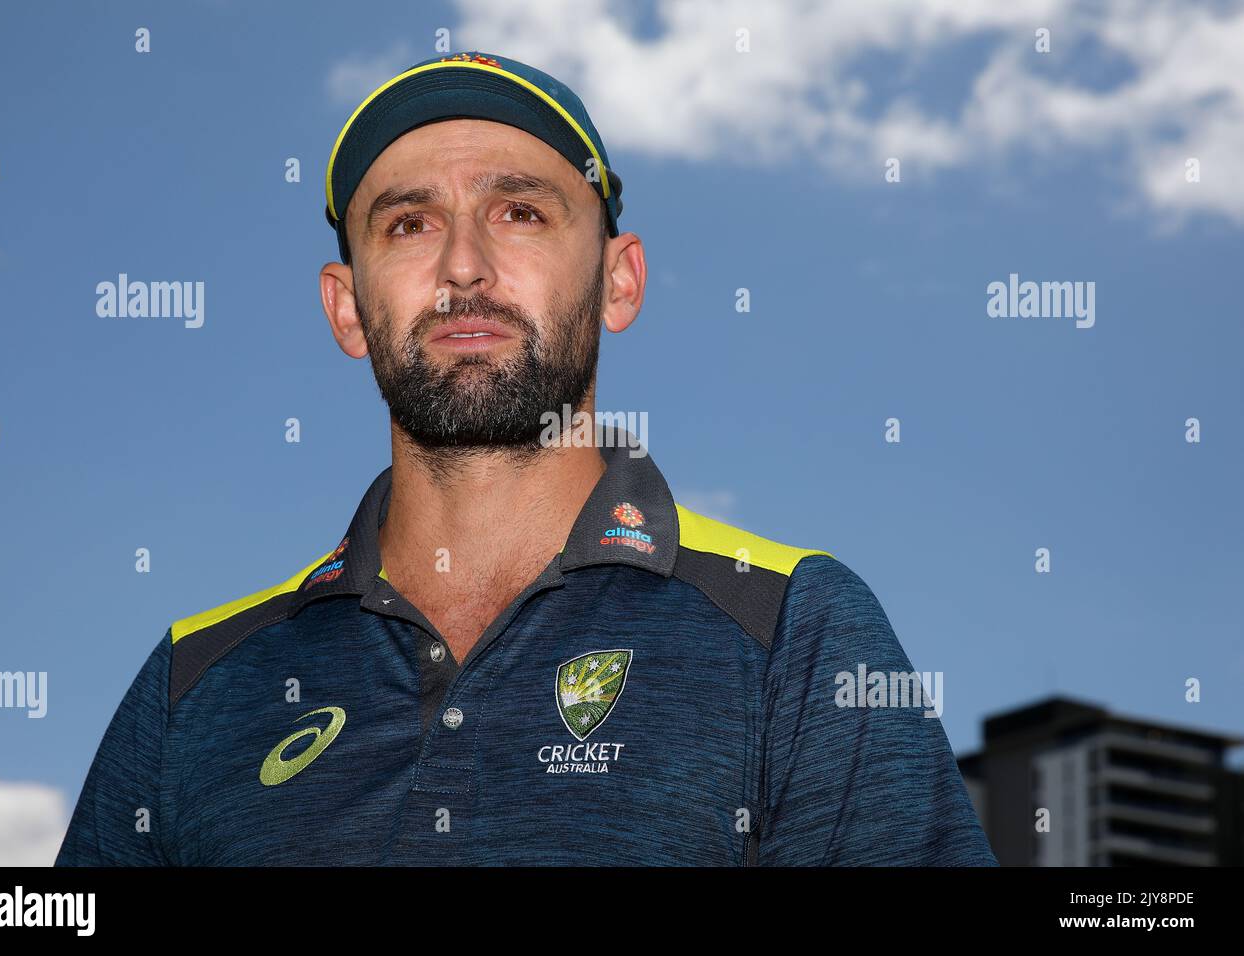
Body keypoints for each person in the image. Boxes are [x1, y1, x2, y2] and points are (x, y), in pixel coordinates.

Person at [55, 51, 996, 866]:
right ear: (346, 308)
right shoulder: (195, 684)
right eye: (409, 223)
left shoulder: (794, 627)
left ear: (618, 280)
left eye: (520, 213)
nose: (464, 265)